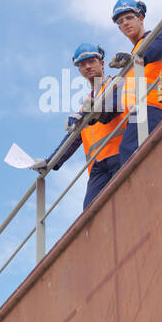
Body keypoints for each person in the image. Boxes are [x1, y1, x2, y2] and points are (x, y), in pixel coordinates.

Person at [30, 43, 127, 210]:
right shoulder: (85, 106)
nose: (87, 67)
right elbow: (73, 139)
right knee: (90, 212)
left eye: (91, 61)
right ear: (79, 70)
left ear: (102, 63)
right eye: (82, 64)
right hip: (97, 166)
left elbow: (112, 108)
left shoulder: (116, 83)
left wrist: (89, 114)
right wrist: (51, 162)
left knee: (126, 199)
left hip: (119, 154)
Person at [107, 0, 162, 165]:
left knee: (129, 151)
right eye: (120, 21)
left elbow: (157, 49)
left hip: (155, 105)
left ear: (141, 18)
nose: (125, 23)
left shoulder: (158, 35)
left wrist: (133, 59)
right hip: (139, 111)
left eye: (129, 18)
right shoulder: (132, 57)